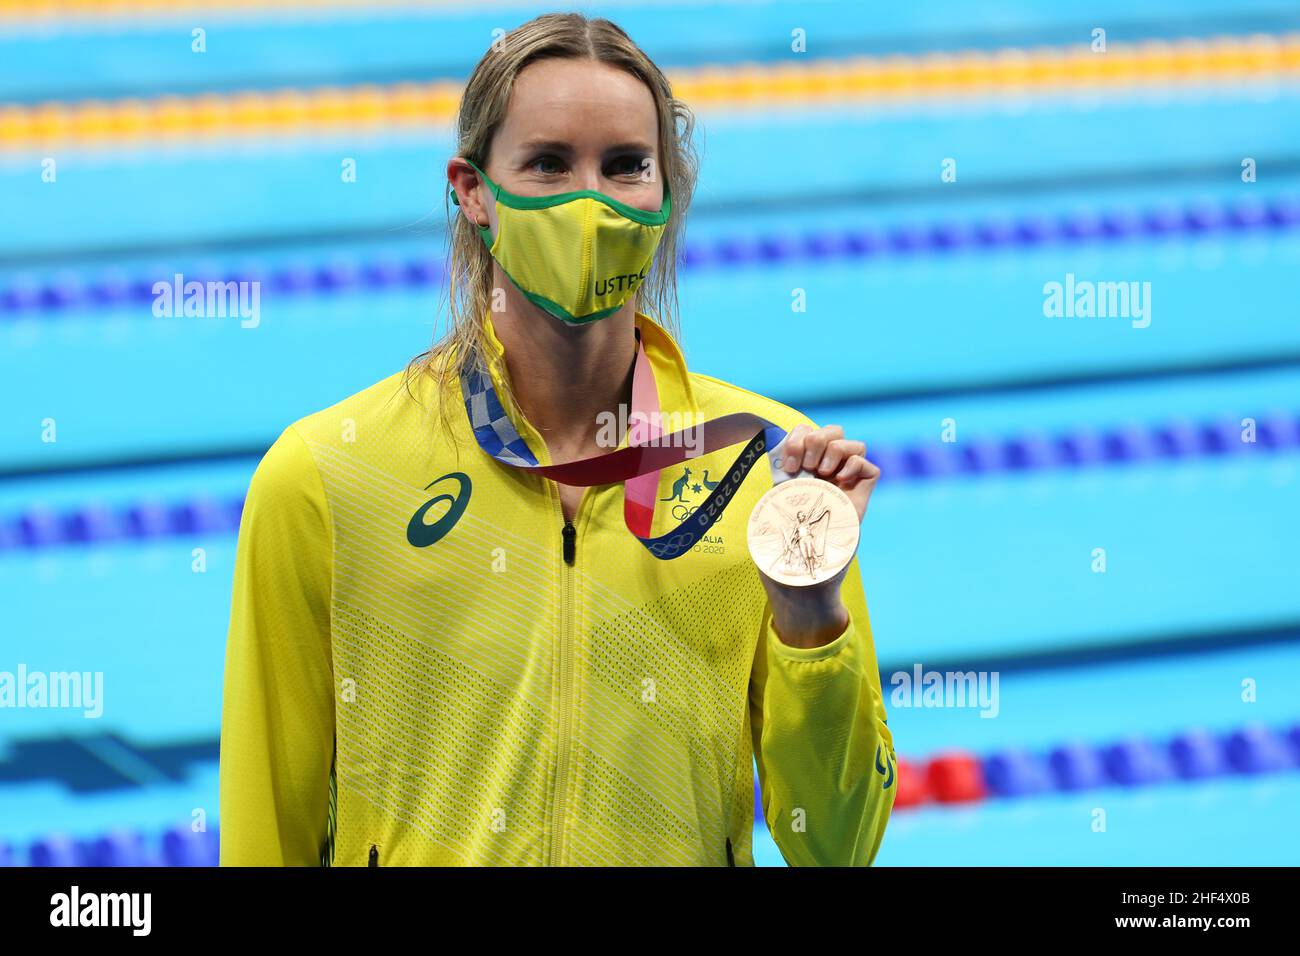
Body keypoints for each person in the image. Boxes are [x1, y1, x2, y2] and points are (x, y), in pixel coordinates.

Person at [219, 11, 895, 867]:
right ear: (472, 191)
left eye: (625, 167)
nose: (590, 201)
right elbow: (262, 832)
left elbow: (837, 847)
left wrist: (810, 620)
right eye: (547, 165)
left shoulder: (763, 469)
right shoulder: (328, 476)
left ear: (665, 194)